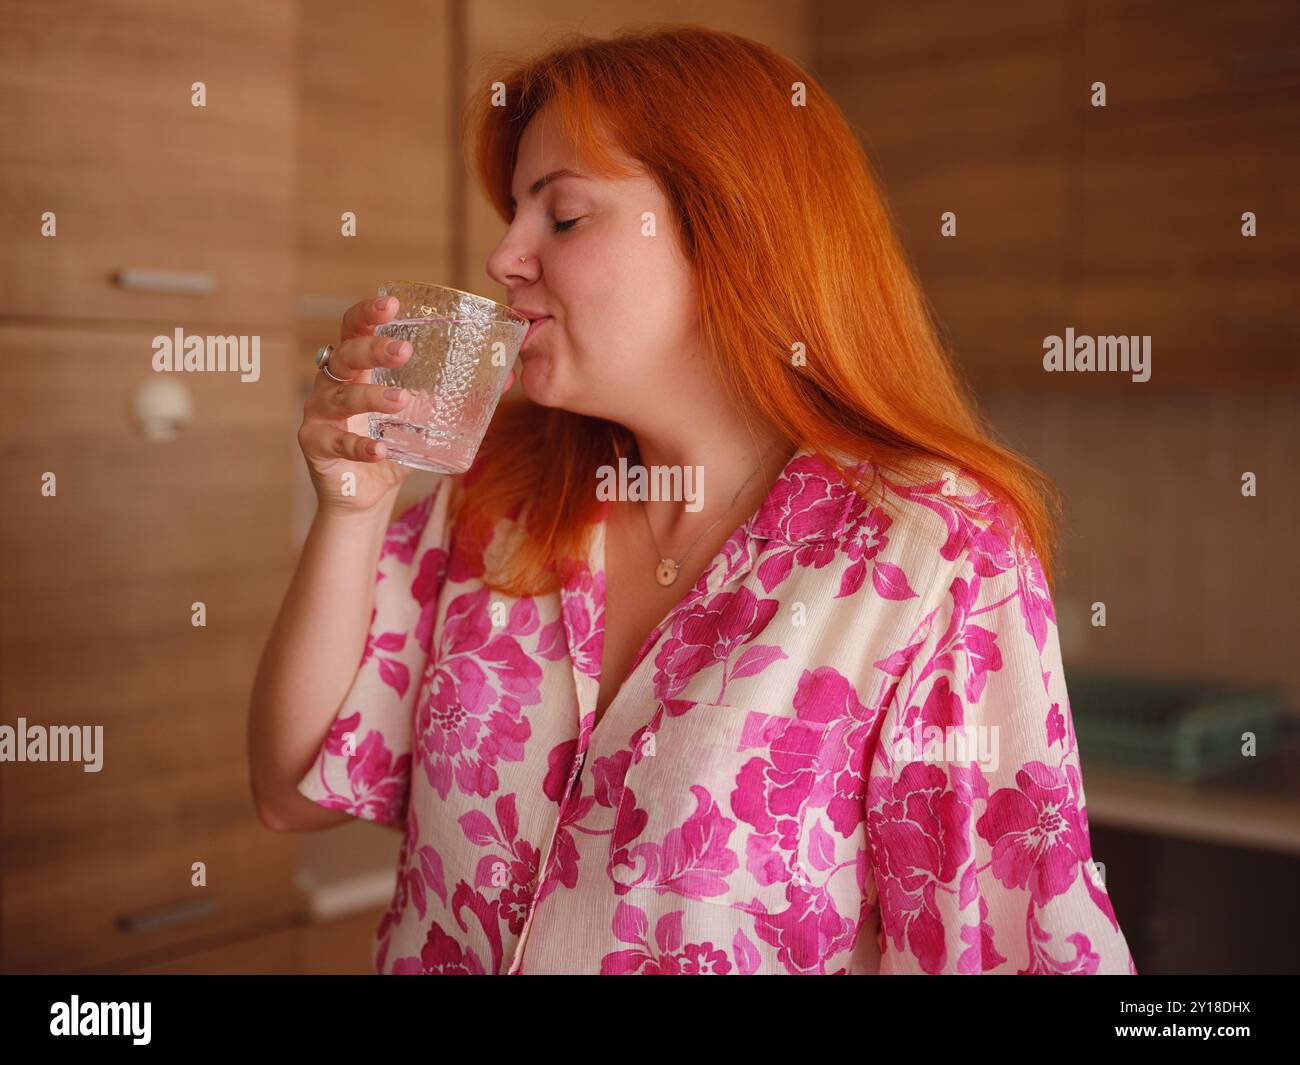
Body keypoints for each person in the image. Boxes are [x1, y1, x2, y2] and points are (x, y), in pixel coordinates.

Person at [248, 25, 1136, 975]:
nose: (505, 255)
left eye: (564, 215)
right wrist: (351, 509)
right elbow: (293, 790)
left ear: (729, 231)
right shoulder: (495, 494)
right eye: (514, 212)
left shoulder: (939, 557)